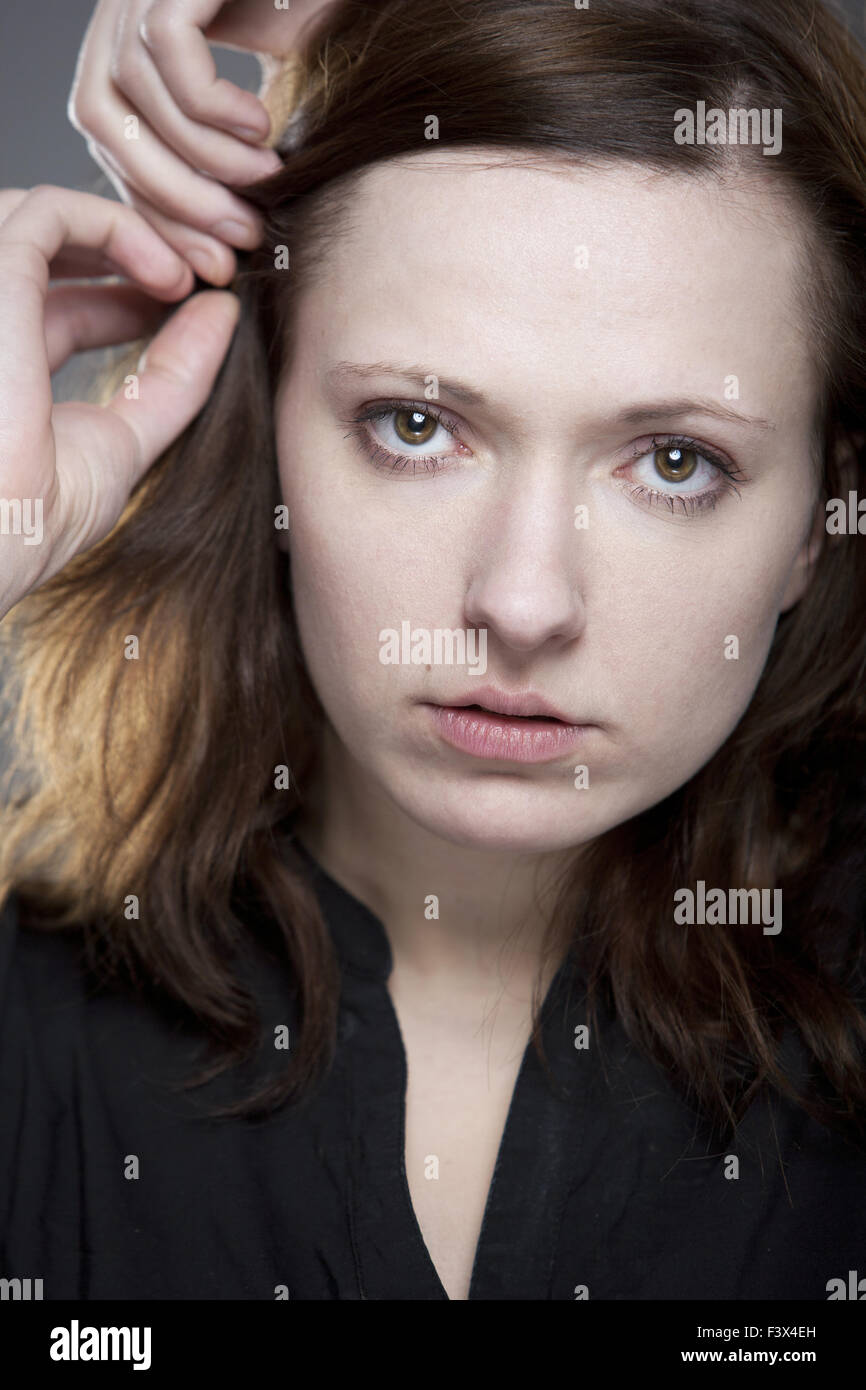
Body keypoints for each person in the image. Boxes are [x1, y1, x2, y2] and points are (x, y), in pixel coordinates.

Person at [1, 0, 865, 1302]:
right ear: (264, 427)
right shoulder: (32, 1026)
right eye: (414, 424)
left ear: (815, 520)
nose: (523, 602)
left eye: (674, 461)